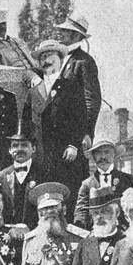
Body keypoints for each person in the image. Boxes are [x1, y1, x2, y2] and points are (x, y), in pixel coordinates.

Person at [29, 39, 88, 214]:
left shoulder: (71, 87)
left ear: (60, 60)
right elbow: (26, 124)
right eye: (43, 57)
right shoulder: (34, 92)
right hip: (41, 157)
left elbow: (81, 118)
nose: (47, 61)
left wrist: (73, 145)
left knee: (67, 198)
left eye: (51, 56)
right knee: (45, 201)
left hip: (65, 155)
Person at [53, 15, 102, 146]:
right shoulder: (55, 59)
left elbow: (92, 100)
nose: (59, 33)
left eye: (64, 31)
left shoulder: (84, 61)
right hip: (53, 133)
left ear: (75, 35)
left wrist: (87, 132)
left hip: (74, 135)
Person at [73, 138, 133, 231]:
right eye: (98, 153)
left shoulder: (128, 180)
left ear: (114, 155)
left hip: (124, 233)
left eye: (107, 152)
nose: (103, 157)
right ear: (94, 156)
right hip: (97, 232)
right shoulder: (87, 185)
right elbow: (81, 213)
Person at [0, 120, 48, 231]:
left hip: (36, 232)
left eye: (24, 145)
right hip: (8, 234)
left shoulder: (43, 174)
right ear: (10, 150)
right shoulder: (1, 176)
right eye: (15, 146)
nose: (19, 149)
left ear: (33, 148)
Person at [0, 10, 41, 79]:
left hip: (36, 73)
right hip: (19, 79)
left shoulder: (19, 41)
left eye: (3, 24)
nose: (2, 27)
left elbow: (32, 61)